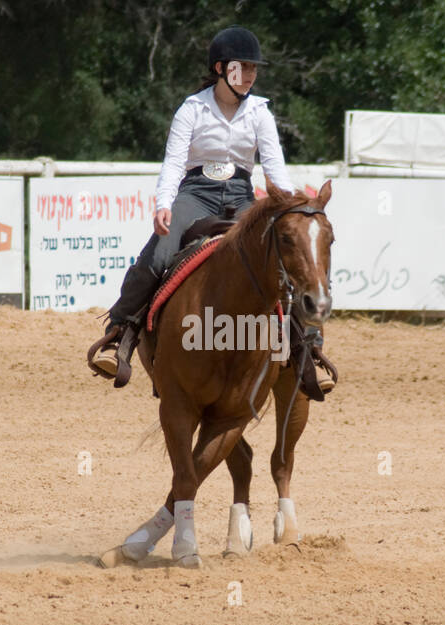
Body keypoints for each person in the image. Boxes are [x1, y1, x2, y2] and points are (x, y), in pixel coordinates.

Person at [90, 25, 335, 394]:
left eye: (254, 69)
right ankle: (120, 333)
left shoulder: (260, 112)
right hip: (196, 193)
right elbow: (173, 164)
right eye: (244, 68)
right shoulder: (192, 109)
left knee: (282, 256)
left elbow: (274, 166)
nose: (251, 75)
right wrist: (163, 205)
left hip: (241, 195)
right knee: (157, 255)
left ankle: (306, 347)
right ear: (221, 69)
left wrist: (288, 206)